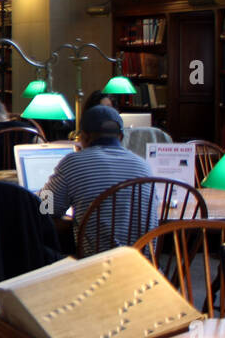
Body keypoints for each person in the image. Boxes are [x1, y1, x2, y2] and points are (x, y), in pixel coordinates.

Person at [43, 104, 157, 254]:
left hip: (99, 268)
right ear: (121, 137)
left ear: (84, 136)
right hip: (143, 267)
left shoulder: (73, 162)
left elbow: (46, 209)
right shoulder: (144, 166)